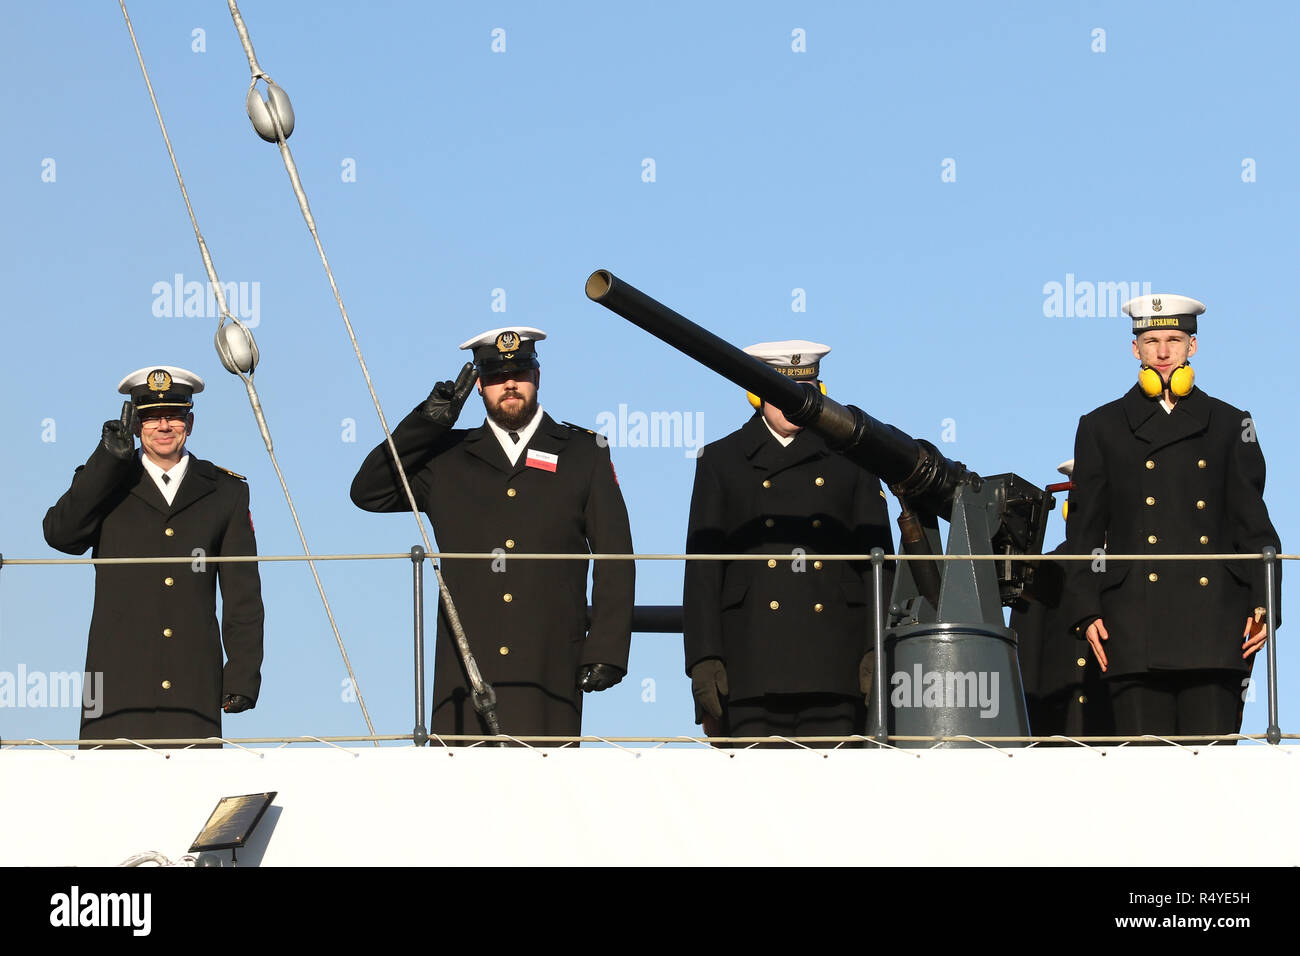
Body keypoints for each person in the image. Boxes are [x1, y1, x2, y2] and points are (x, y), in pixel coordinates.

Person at [350, 327, 634, 741]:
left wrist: (606, 647)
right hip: (464, 670)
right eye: (498, 377)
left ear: (537, 377)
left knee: (548, 796)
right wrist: (426, 424)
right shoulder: (445, 456)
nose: (510, 385)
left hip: (550, 664)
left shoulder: (583, 452)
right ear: (479, 385)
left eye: (520, 372)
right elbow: (367, 491)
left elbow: (616, 556)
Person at [1064, 294, 1281, 739]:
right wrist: (1087, 611)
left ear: (1192, 347)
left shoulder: (1231, 423)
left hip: (1216, 629)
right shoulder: (1101, 426)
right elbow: (1084, 531)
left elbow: (1254, 525)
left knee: (1211, 772)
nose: (1163, 352)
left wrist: (1265, 602)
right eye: (1152, 340)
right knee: (1146, 778)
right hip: (1131, 627)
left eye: (1174, 340)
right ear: (1135, 349)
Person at [684, 341, 894, 743]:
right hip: (750, 664)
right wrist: (704, 659)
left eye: (805, 392)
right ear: (756, 395)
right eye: (782, 393)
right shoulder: (721, 460)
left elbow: (879, 561)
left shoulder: (852, 457)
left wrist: (877, 649)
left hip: (836, 663)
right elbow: (703, 571)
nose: (794, 403)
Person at [43, 366, 264, 745]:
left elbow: (242, 594)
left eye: (174, 416)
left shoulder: (225, 492)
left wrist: (243, 674)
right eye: (150, 417)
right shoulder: (106, 480)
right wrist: (106, 461)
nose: (163, 426)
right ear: (135, 425)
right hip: (114, 684)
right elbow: (61, 535)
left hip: (192, 682)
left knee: (195, 796)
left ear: (189, 423)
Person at [1009, 460, 1109, 740]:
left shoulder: (1134, 571)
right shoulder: (1042, 572)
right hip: (1057, 731)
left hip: (1120, 733)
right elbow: (1026, 665)